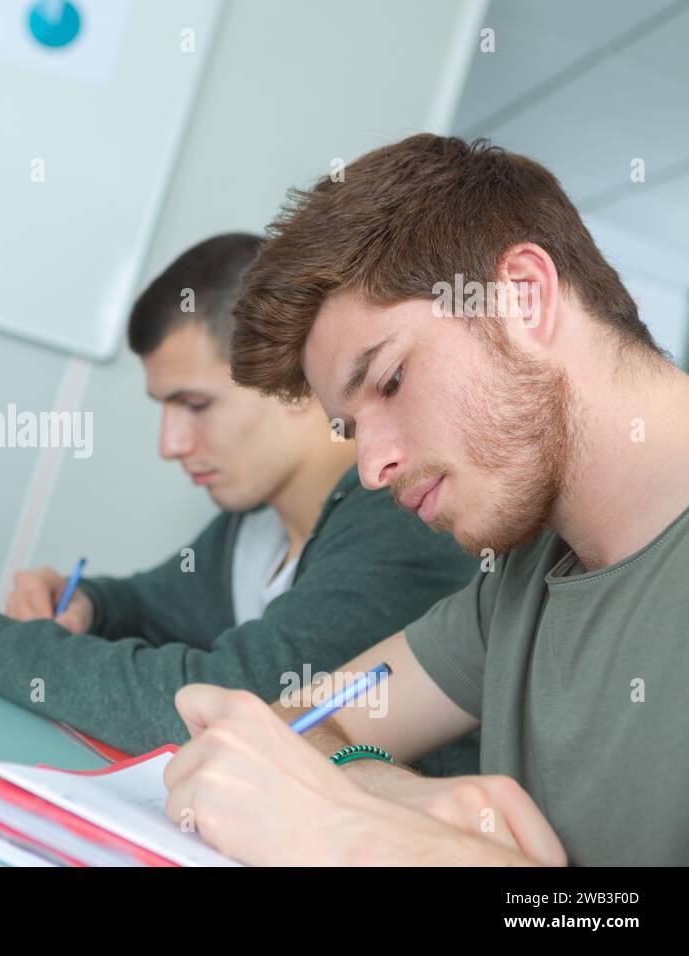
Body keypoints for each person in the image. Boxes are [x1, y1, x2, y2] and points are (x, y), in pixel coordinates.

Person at [164, 134, 689, 865]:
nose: (372, 467)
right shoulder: (523, 574)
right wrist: (390, 790)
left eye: (390, 381)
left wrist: (372, 840)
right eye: (350, 428)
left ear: (523, 297)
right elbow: (310, 718)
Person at [0, 234, 479, 766]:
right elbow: (148, 603)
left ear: (295, 381)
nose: (171, 444)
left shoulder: (400, 518)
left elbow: (218, 701)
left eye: (195, 405)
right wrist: (86, 603)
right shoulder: (253, 524)